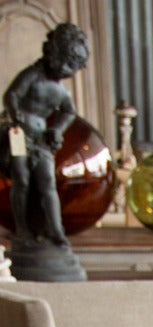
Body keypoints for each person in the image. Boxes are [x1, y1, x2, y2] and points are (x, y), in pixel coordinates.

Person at [3, 22, 90, 246]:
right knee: (21, 180)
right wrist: (15, 115)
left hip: (42, 140)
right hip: (19, 136)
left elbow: (69, 113)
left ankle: (55, 230)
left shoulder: (61, 90)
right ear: (55, 52)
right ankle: (22, 229)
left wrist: (57, 129)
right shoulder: (33, 75)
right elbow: (11, 95)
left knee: (48, 182)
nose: (69, 69)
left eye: (75, 65)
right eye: (67, 61)